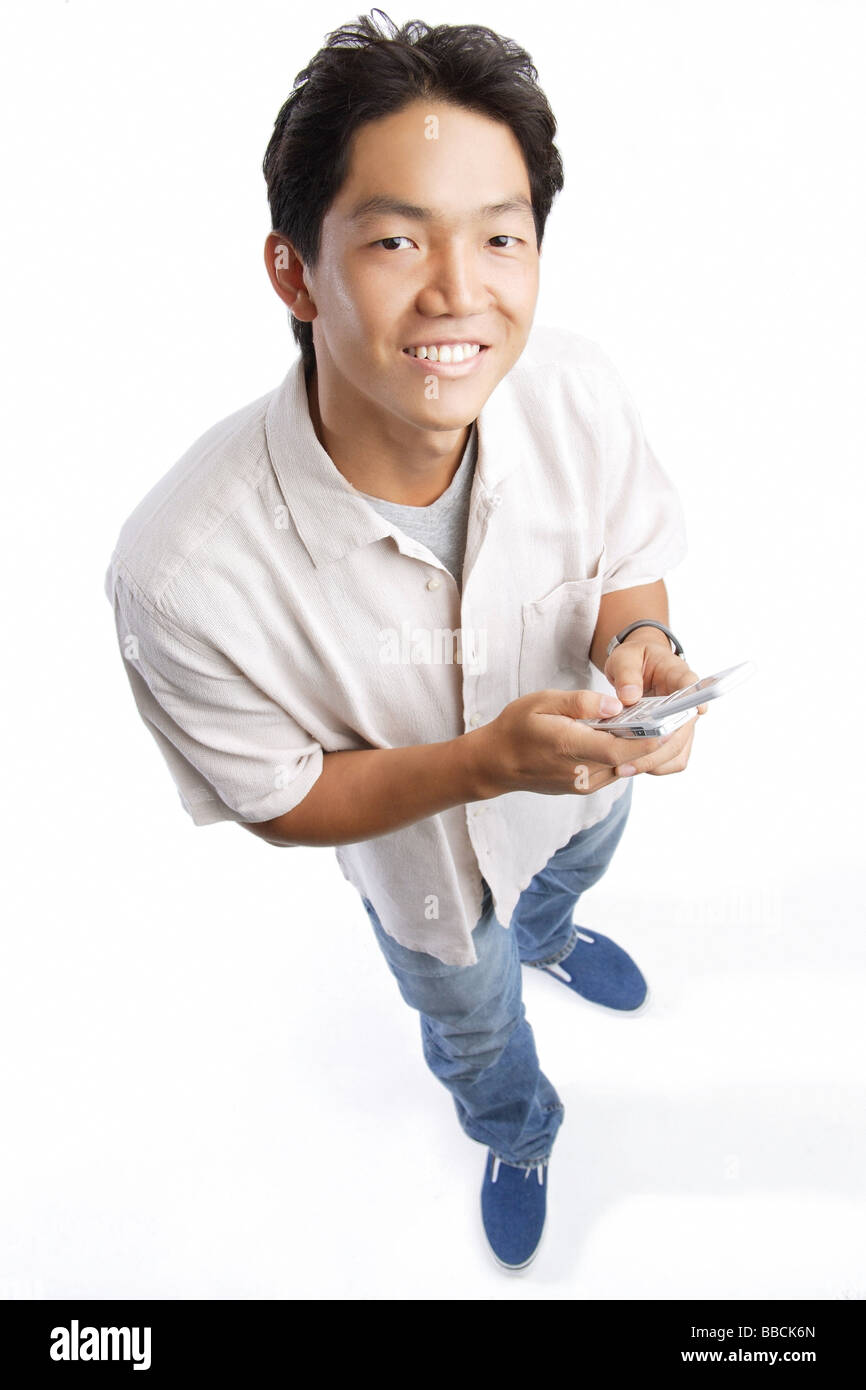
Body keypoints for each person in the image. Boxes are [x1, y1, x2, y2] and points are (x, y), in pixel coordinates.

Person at [104, 10, 707, 1272]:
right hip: (427, 891)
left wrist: (640, 638)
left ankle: (549, 929)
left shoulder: (577, 387)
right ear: (294, 270)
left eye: (500, 237)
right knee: (474, 1030)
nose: (457, 293)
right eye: (392, 239)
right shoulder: (179, 574)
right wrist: (485, 764)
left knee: (566, 873)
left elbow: (621, 557)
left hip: (583, 794)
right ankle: (520, 1130)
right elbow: (276, 800)